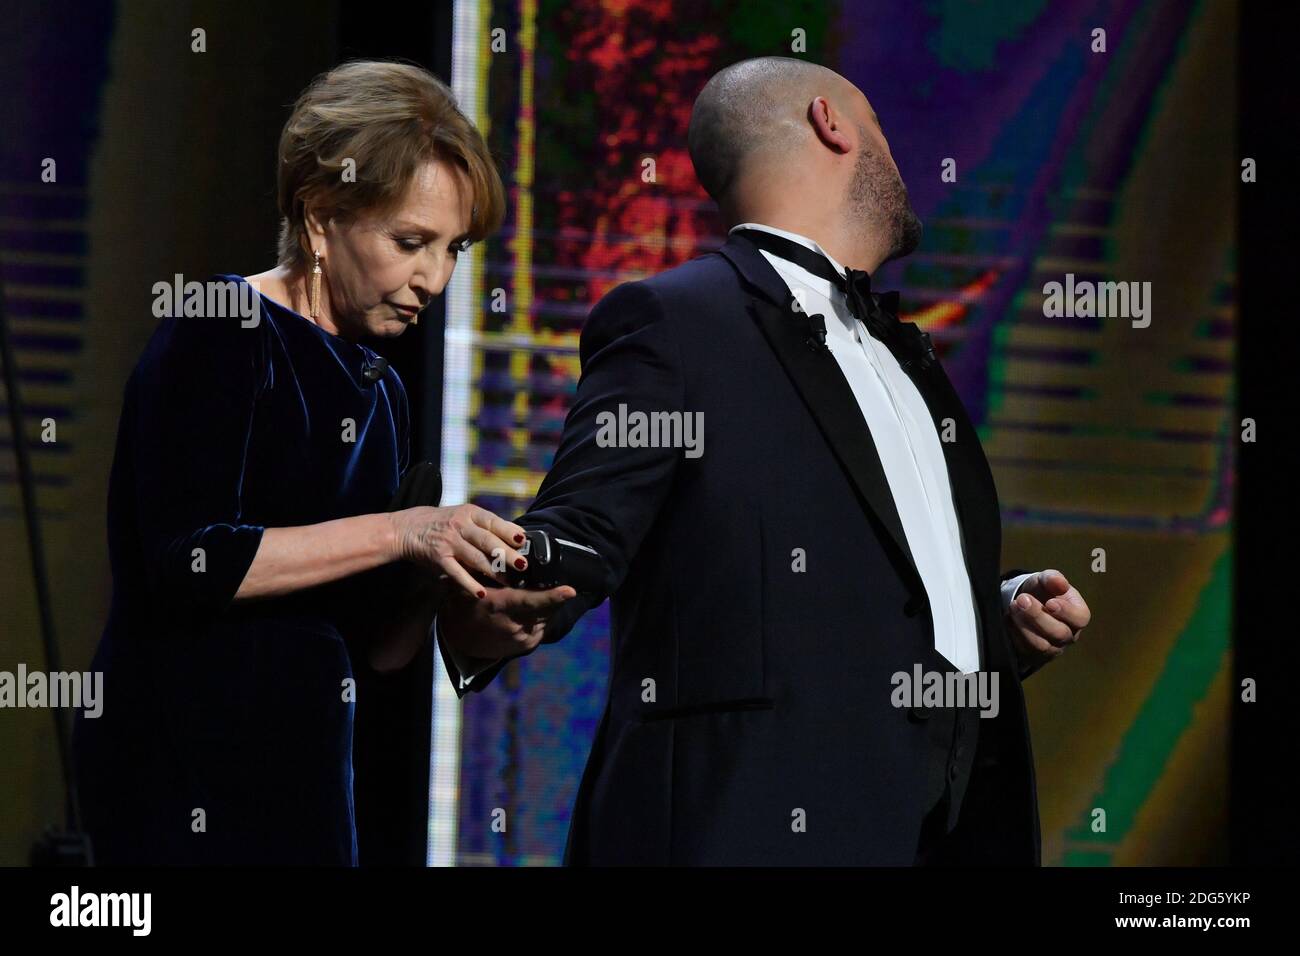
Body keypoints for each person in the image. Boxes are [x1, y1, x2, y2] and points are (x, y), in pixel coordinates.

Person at [439, 56, 1091, 865]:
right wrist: (497, 605)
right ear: (832, 122)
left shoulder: (907, 353)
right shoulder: (674, 322)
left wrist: (994, 626)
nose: (901, 156)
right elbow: (580, 529)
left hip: (945, 835)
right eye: (880, 125)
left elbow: (872, 598)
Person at [73, 60, 572, 866]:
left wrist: (464, 601)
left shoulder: (383, 389)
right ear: (319, 216)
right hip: (184, 763)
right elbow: (189, 560)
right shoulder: (226, 325)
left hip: (304, 780)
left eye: (454, 250)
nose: (433, 279)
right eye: (411, 243)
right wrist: (405, 531)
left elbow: (377, 649)